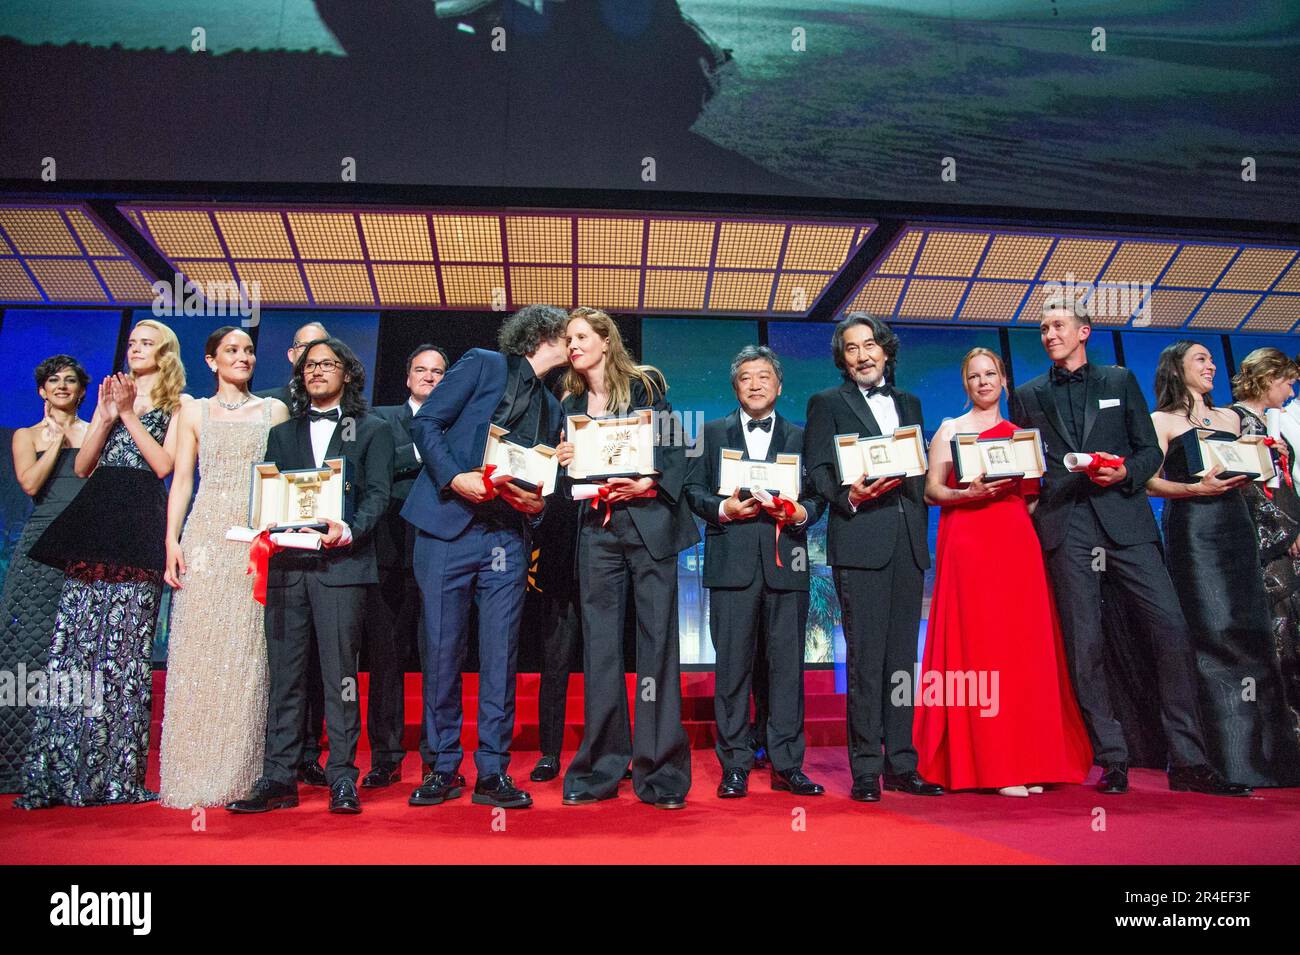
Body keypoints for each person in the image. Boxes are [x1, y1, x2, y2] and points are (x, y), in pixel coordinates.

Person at [1008, 298, 1249, 796]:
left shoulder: (1118, 381)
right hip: (1067, 527)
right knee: (1085, 645)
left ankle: (1188, 759)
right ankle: (1112, 758)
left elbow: (1146, 454)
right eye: (1042, 329)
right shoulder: (1028, 394)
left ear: (1084, 332)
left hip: (1127, 524)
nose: (1049, 335)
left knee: (1170, 630)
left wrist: (1123, 473)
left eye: (1057, 326)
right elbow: (1030, 465)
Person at [403, 306, 568, 811]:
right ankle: (443, 767)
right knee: (441, 648)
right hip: (446, 527)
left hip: (507, 538)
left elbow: (544, 489)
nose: (577, 345)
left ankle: (492, 770)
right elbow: (427, 422)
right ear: (545, 335)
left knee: (501, 655)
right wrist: (455, 476)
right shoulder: (482, 363)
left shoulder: (555, 409)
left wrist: (538, 507)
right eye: (570, 335)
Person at [18, 320, 185, 808]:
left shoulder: (179, 404)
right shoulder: (109, 399)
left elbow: (164, 465)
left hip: (138, 529)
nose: (135, 349)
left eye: (145, 343)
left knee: (123, 654)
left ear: (165, 353)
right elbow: (81, 465)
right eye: (131, 343)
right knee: (74, 647)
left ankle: (115, 776)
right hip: (94, 526)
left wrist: (129, 414)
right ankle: (63, 772)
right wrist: (108, 415)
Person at [226, 336, 394, 814]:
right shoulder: (282, 433)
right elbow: (271, 496)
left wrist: (349, 530)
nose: (317, 370)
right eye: (310, 365)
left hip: (343, 567)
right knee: (286, 677)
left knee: (340, 676)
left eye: (328, 364)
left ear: (347, 374)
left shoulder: (374, 428)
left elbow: (378, 496)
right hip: (287, 568)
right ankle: (278, 778)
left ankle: (343, 776)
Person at [915, 348, 1093, 795]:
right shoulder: (950, 430)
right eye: (973, 376)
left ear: (1003, 380)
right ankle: (993, 766)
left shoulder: (1020, 435)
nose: (982, 381)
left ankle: (1029, 760)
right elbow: (931, 492)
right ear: (965, 384)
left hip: (1015, 543)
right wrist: (967, 494)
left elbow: (1033, 498)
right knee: (981, 648)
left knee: (1022, 649)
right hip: (967, 540)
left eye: (990, 373)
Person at [555, 307, 699, 810]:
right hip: (597, 528)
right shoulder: (569, 399)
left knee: (657, 644)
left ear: (604, 340)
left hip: (648, 523)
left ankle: (659, 771)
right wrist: (564, 458)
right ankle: (600, 767)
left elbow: (679, 448)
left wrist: (650, 480)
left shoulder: (646, 388)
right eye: (567, 338)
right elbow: (565, 468)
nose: (572, 345)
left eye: (580, 336)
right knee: (600, 647)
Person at [1147, 340, 1300, 788]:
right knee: (1211, 635)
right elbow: (1149, 483)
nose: (1211, 365)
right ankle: (1217, 761)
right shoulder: (1162, 421)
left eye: (1213, 359)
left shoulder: (1233, 418)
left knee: (1251, 634)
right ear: (1177, 368)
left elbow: (1261, 479)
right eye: (1201, 359)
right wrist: (1195, 489)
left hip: (1239, 529)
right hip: (1194, 532)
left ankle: (1272, 760)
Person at [803, 312, 941, 803]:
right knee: (865, 661)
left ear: (886, 350)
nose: (862, 355)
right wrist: (851, 495)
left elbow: (921, 471)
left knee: (902, 662)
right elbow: (818, 469)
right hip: (860, 540)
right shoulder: (826, 403)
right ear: (842, 359)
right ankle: (865, 768)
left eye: (870, 345)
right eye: (851, 348)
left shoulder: (911, 402)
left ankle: (902, 763)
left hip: (908, 543)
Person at [683, 345, 827, 798]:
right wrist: (722, 508)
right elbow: (692, 491)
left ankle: (787, 764)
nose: (756, 384)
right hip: (731, 568)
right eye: (746, 377)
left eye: (764, 376)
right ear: (736, 386)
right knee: (732, 671)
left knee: (787, 670)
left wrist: (800, 512)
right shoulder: (710, 432)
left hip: (788, 567)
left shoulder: (803, 436)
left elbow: (820, 497)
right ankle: (735, 766)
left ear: (779, 386)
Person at [158, 327, 289, 808]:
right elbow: (182, 482)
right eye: (232, 350)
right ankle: (190, 771)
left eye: (250, 350)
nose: (243, 356)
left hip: (256, 538)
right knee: (198, 652)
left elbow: (287, 476)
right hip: (206, 535)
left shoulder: (275, 411)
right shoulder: (191, 410)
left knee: (247, 654)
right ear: (211, 361)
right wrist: (172, 539)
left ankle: (242, 773)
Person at [0, 356, 89, 792]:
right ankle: (20, 762)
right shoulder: (25, 435)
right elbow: (31, 484)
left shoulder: (94, 433)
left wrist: (75, 433)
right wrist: (55, 439)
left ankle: (70, 762)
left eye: (70, 381)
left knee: (75, 653)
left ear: (80, 391)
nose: (61, 386)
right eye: (53, 380)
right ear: (41, 390)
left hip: (82, 548)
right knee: (30, 650)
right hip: (38, 548)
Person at [362, 344, 448, 787]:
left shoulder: (457, 423)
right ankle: (386, 758)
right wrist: (428, 455)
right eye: (422, 370)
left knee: (440, 656)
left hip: (442, 554)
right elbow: (375, 467)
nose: (430, 378)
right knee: (387, 659)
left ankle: (437, 757)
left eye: (438, 372)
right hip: (390, 556)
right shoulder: (380, 419)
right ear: (407, 377)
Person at [255, 320, 331, 788]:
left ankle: (309, 754)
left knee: (323, 665)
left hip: (328, 553)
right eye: (309, 353)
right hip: (268, 543)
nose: (316, 364)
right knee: (278, 663)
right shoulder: (273, 408)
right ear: (293, 357)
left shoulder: (356, 424)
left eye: (326, 357)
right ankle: (273, 767)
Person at [1231, 348, 1300, 747]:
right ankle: (1276, 736)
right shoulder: (1238, 420)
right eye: (1287, 382)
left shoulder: (1269, 422)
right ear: (1269, 377)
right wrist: (1285, 534)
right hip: (1268, 545)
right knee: (1276, 631)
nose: (1291, 391)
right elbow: (1250, 489)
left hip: (1287, 534)